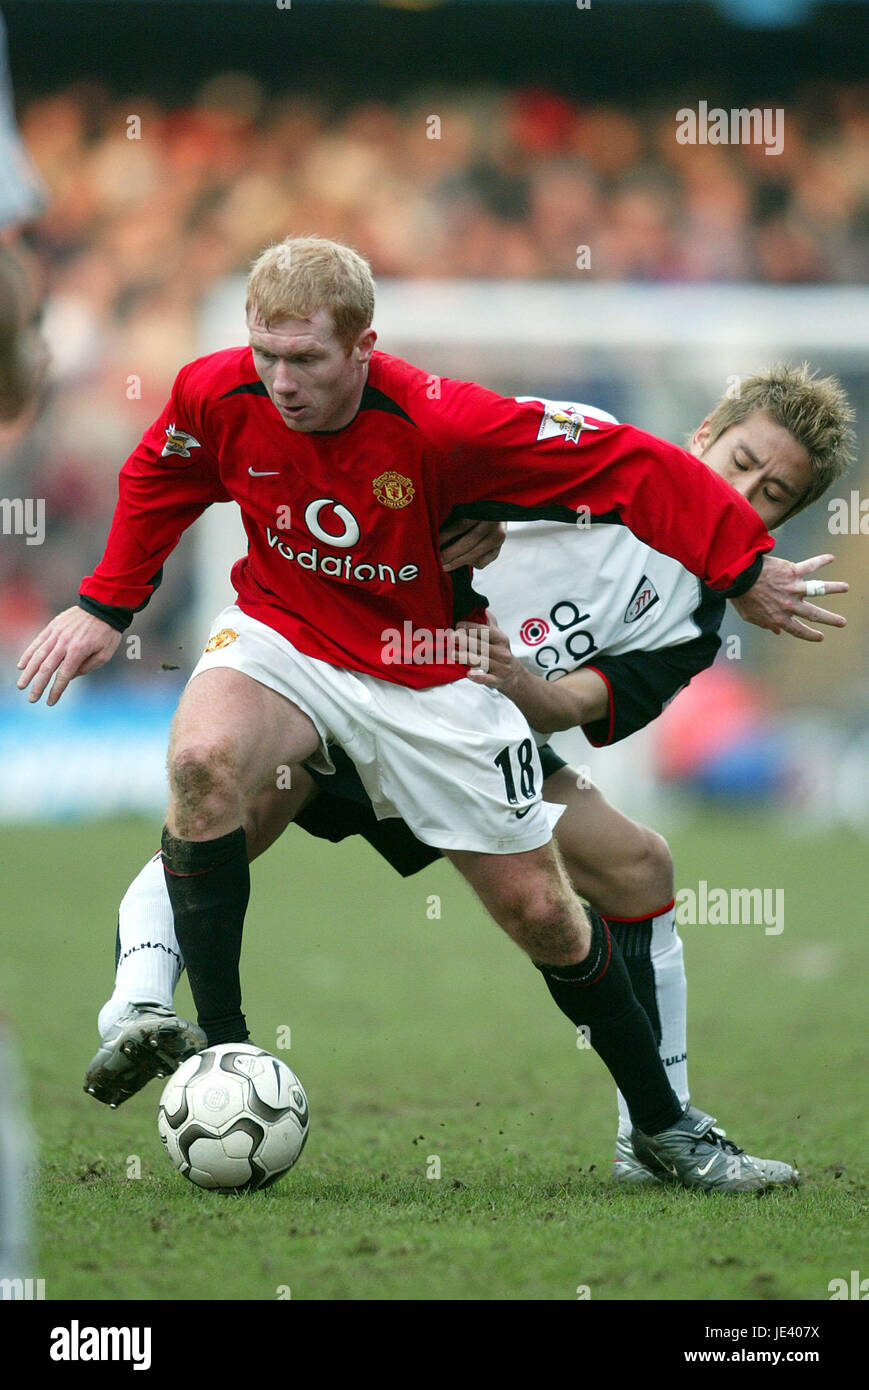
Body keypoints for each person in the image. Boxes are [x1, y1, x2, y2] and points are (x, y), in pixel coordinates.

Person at [18, 237, 845, 1191]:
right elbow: (604, 467)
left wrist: (702, 585)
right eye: (739, 463)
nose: (741, 493)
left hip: (452, 709)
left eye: (769, 494)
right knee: (210, 775)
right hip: (312, 647)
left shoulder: (695, 612)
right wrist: (107, 602)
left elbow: (597, 701)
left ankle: (657, 1127)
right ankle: (167, 1022)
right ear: (704, 430)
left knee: (587, 890)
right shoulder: (572, 445)